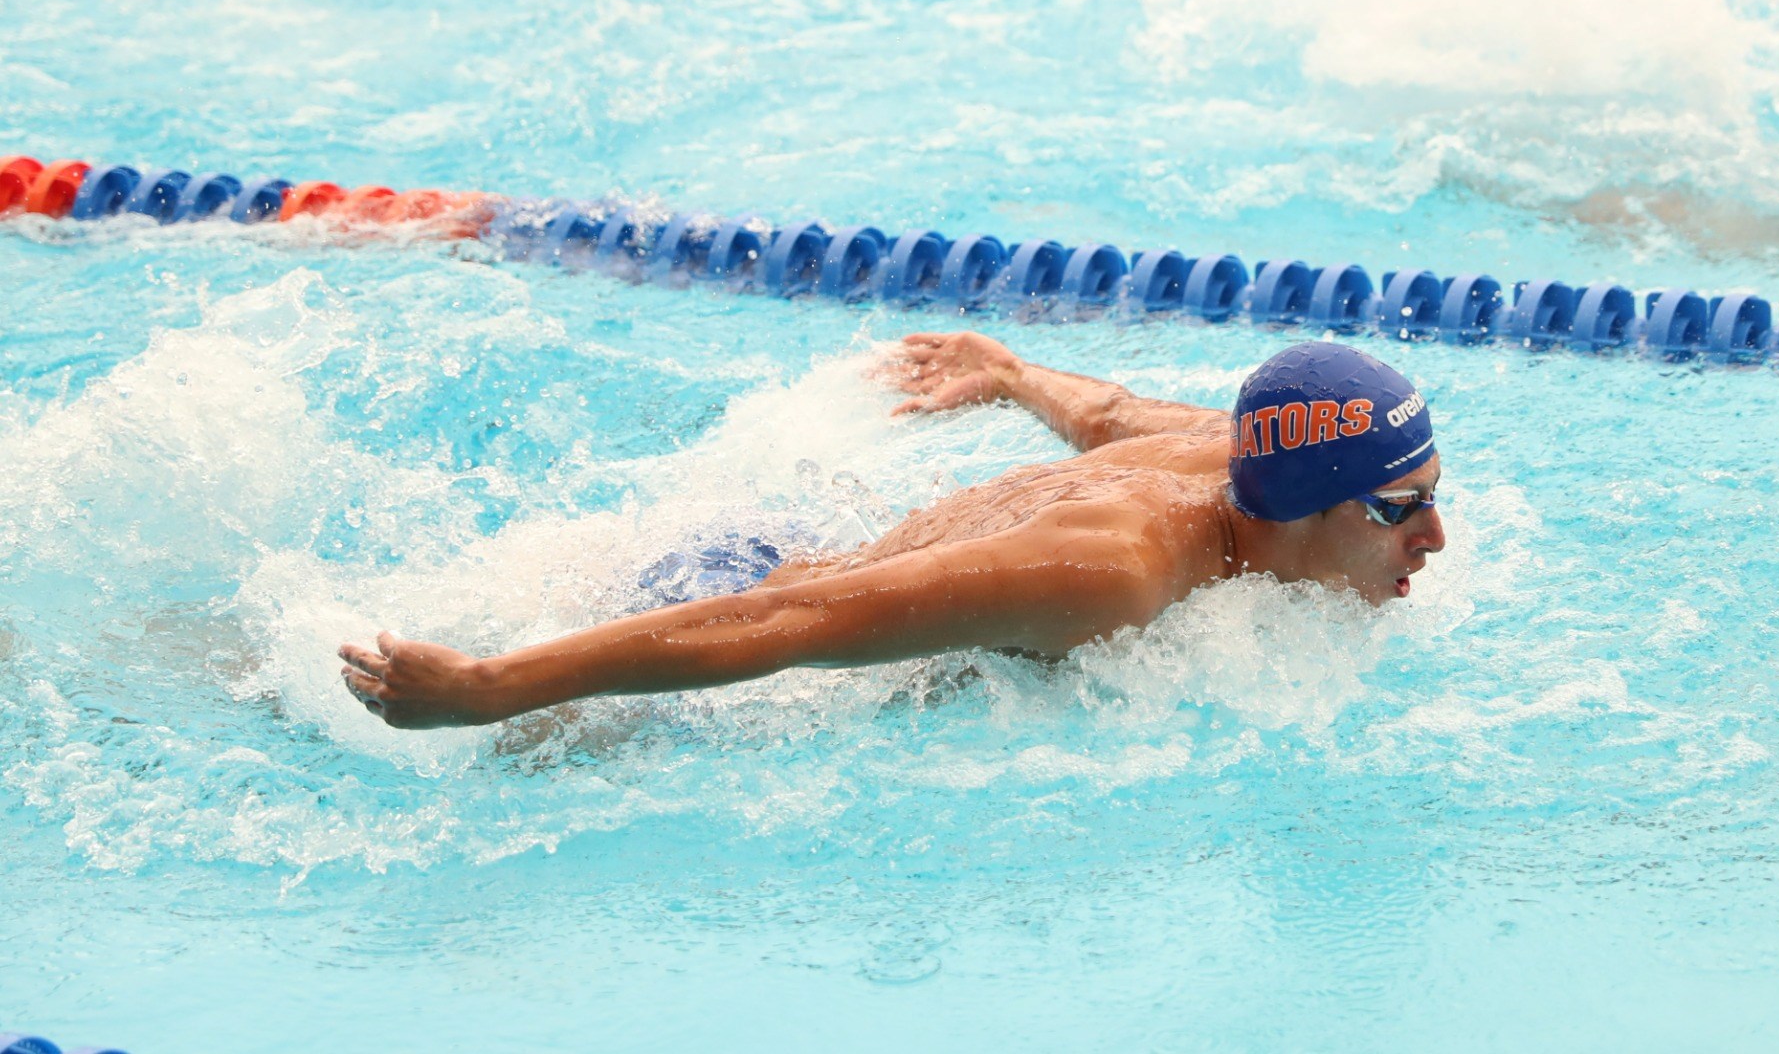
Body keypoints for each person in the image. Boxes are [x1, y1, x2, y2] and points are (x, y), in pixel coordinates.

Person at [339, 332, 1445, 729]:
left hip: (803, 547)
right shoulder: (1113, 571)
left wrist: (1011, 375)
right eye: (1401, 511)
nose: (1436, 538)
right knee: (507, 748)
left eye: (1434, 494)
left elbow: (1107, 415)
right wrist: (488, 686)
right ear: (1299, 510)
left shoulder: (1240, 452)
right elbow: (798, 618)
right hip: (712, 603)